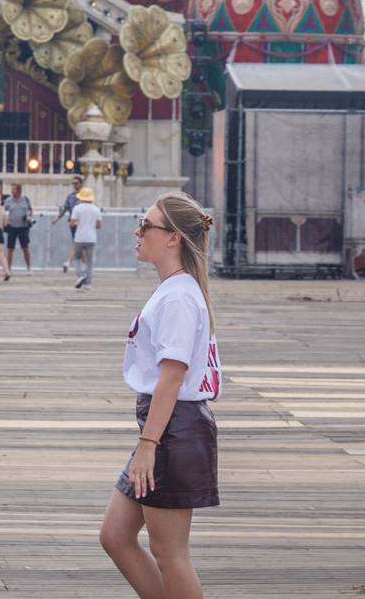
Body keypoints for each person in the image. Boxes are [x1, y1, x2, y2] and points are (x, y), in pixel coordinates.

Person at [100, 193, 221, 599]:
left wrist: (148, 445)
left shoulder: (179, 298)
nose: (138, 232)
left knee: (170, 552)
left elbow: (172, 378)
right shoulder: (173, 291)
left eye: (146, 225)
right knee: (116, 534)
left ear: (173, 239)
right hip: (163, 424)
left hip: (171, 428)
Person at [71, 186, 102, 290]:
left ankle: (80, 276)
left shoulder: (77, 208)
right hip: (91, 238)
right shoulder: (96, 209)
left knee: (78, 258)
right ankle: (88, 283)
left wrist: (77, 223)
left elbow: (72, 223)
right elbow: (99, 225)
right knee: (89, 261)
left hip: (79, 237)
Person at [53, 175, 84, 272]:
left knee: (78, 243)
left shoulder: (85, 196)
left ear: (81, 184)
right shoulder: (70, 197)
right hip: (73, 223)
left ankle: (70, 262)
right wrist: (57, 218)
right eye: (73, 183)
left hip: (82, 223)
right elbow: (65, 208)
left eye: (76, 183)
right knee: (78, 243)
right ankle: (80, 264)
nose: (75, 185)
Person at [3, 183, 35, 272]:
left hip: (23, 227)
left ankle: (29, 268)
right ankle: (8, 268)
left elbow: (30, 210)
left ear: (19, 190)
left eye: (14, 189)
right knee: (10, 248)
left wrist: (29, 216)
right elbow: (4, 212)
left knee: (25, 248)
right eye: (12, 189)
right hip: (12, 227)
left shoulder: (25, 200)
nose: (12, 191)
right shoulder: (8, 201)